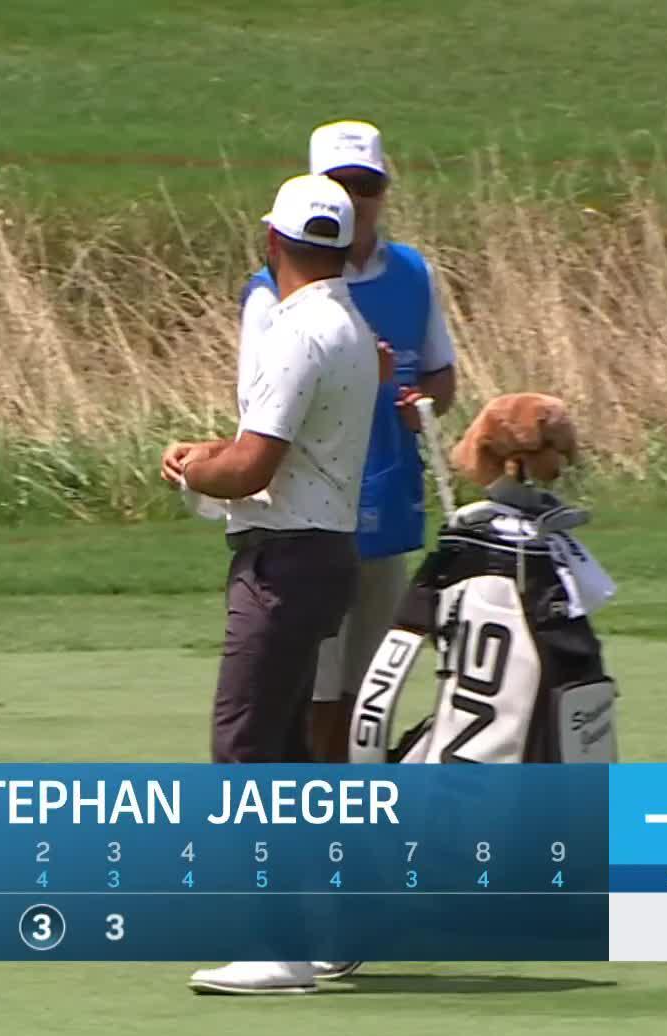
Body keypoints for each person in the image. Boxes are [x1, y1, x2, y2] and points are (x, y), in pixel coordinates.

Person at [162, 174, 379, 994]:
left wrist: (192, 469)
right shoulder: (353, 326)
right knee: (287, 751)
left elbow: (255, 463)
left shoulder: (297, 330)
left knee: (246, 745)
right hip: (323, 555)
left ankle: (277, 946)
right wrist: (208, 455)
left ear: (272, 242)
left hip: (285, 562)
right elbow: (275, 443)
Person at [239, 120, 460, 768]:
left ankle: (359, 817)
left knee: (371, 692)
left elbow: (441, 378)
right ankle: (326, 823)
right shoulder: (271, 290)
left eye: (367, 185)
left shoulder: (413, 272)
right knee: (317, 693)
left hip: (389, 504)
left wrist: (421, 402)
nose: (357, 199)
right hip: (312, 516)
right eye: (341, 185)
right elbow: (261, 409)